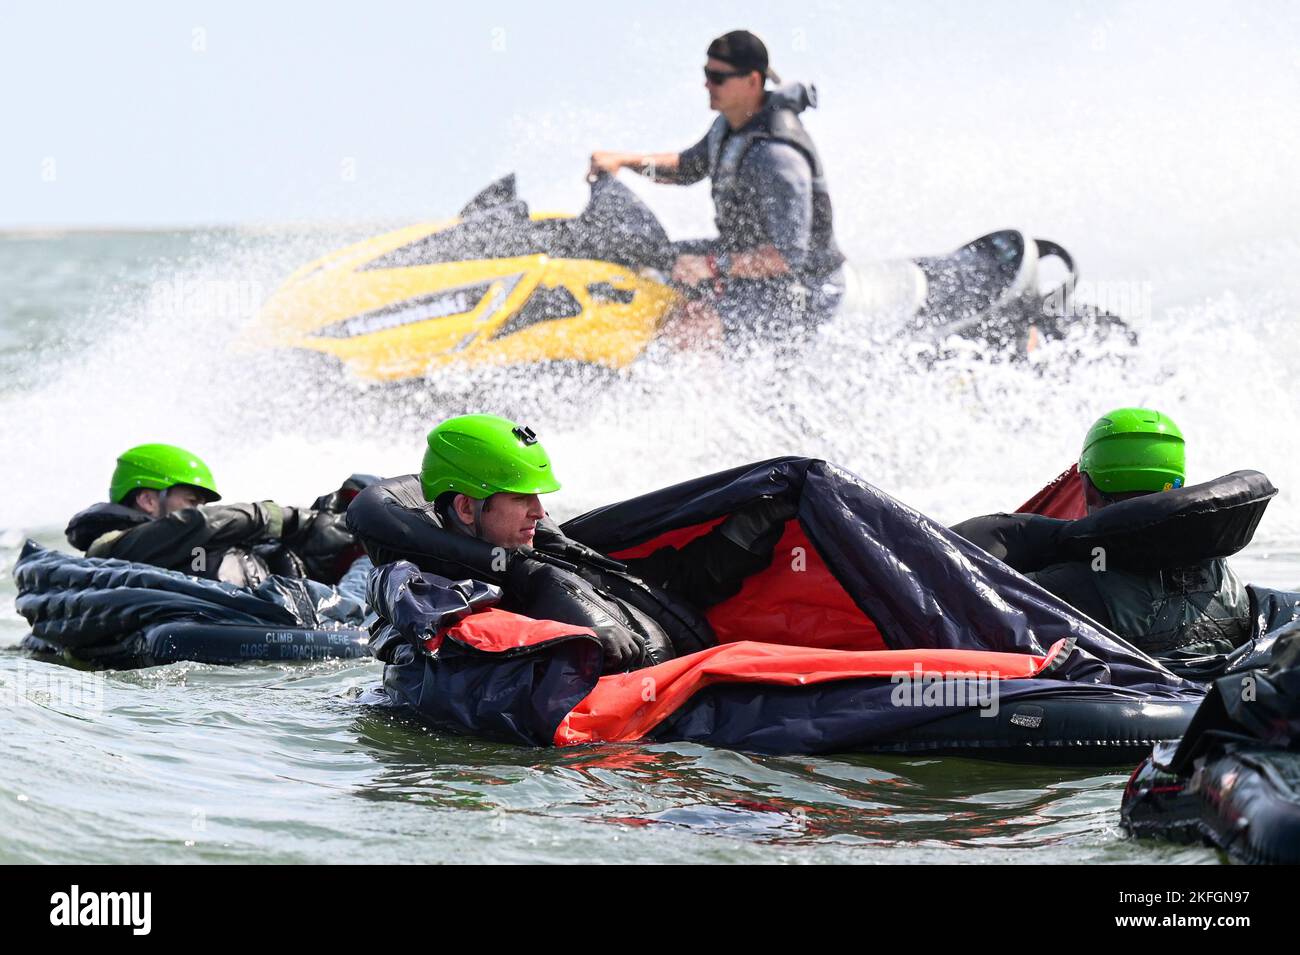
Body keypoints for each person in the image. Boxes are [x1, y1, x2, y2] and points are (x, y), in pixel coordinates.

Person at [346, 414, 797, 673]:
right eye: (522, 498)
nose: (539, 513)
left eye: (538, 498)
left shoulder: (545, 553)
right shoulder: (429, 591)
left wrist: (749, 529)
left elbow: (662, 583)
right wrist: (569, 635)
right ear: (467, 508)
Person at [589, 29, 845, 347]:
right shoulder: (729, 126)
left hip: (803, 290)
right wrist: (624, 161)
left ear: (752, 81)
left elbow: (788, 257)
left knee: (694, 324)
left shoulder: (778, 158)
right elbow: (687, 169)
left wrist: (710, 266)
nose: (707, 84)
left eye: (717, 77)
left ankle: (698, 397)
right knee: (650, 260)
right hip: (746, 264)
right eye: (706, 73)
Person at [955, 408, 1256, 656]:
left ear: (1086, 487)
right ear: (1178, 482)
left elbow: (966, 615)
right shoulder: (1225, 575)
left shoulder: (1071, 585)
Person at [65, 443, 359, 587]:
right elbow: (199, 524)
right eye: (192, 501)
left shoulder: (185, 550)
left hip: (289, 597)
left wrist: (320, 523)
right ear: (148, 500)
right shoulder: (118, 545)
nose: (200, 509)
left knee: (360, 490)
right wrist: (294, 520)